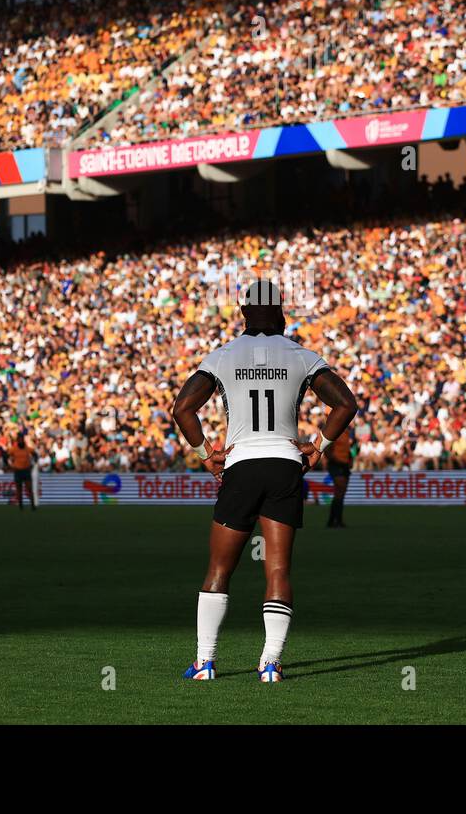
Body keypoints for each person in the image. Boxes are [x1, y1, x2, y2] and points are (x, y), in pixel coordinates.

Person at [171, 280, 357, 683]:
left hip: (241, 464)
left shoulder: (221, 357)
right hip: (285, 464)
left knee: (220, 568)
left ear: (243, 313)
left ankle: (205, 662)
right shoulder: (301, 355)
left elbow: (182, 408)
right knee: (277, 570)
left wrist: (207, 454)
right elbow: (345, 404)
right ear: (278, 310)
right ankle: (270, 664)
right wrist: (319, 445)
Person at [324, 427, 353, 528]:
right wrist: (335, 460)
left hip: (344, 465)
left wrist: (350, 459)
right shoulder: (335, 431)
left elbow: (347, 449)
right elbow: (327, 450)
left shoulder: (346, 432)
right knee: (340, 491)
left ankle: (332, 521)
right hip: (336, 465)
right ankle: (338, 521)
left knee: (340, 494)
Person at [7, 431, 36, 510]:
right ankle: (21, 506)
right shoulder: (14, 449)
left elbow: (35, 454)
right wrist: (11, 465)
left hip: (26, 470)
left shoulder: (27, 448)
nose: (20, 440)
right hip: (17, 471)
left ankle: (32, 505)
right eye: (19, 439)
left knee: (29, 489)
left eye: (21, 439)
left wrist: (33, 464)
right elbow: (7, 456)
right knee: (18, 489)